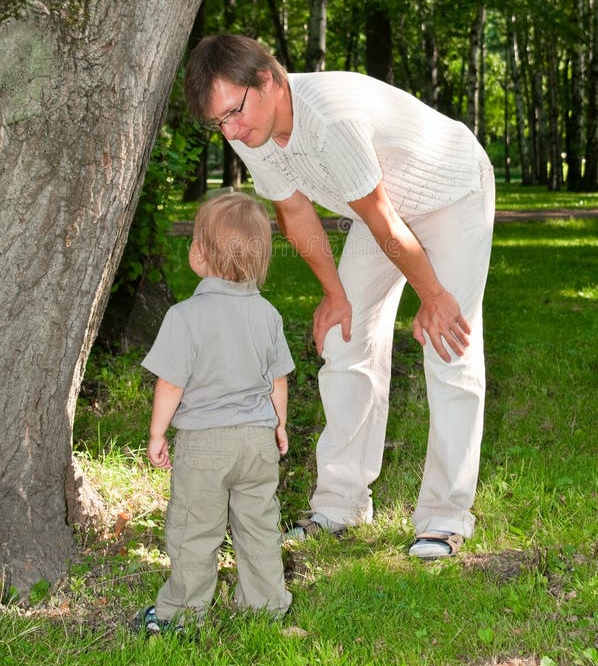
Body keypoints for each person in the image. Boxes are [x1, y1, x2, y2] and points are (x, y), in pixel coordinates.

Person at [185, 34, 495, 560]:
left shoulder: (329, 119)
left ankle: (445, 516)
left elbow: (381, 218)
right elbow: (297, 213)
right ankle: (341, 503)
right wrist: (335, 295)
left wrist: (434, 294)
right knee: (344, 338)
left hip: (450, 191)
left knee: (449, 342)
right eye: (219, 123)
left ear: (269, 80)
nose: (230, 130)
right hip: (384, 210)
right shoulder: (247, 131)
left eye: (234, 113)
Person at [133, 192, 294, 637]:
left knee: (194, 531)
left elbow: (171, 383)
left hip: (204, 445)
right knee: (259, 526)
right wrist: (278, 425)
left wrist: (156, 433)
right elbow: (277, 380)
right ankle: (265, 607)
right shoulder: (268, 314)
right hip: (257, 442)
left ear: (200, 253)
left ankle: (180, 615)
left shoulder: (185, 316)